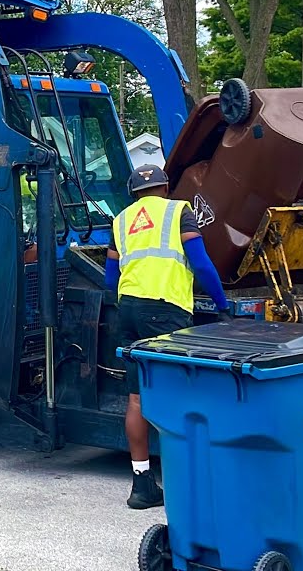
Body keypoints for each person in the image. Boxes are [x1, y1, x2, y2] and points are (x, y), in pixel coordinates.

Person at [105, 164, 231, 510]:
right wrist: (221, 305)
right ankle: (185, 481)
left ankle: (141, 484)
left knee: (137, 399)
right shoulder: (179, 211)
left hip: (128, 308)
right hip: (165, 309)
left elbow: (109, 276)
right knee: (178, 394)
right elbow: (202, 263)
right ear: (167, 186)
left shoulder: (120, 221)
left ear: (133, 193)